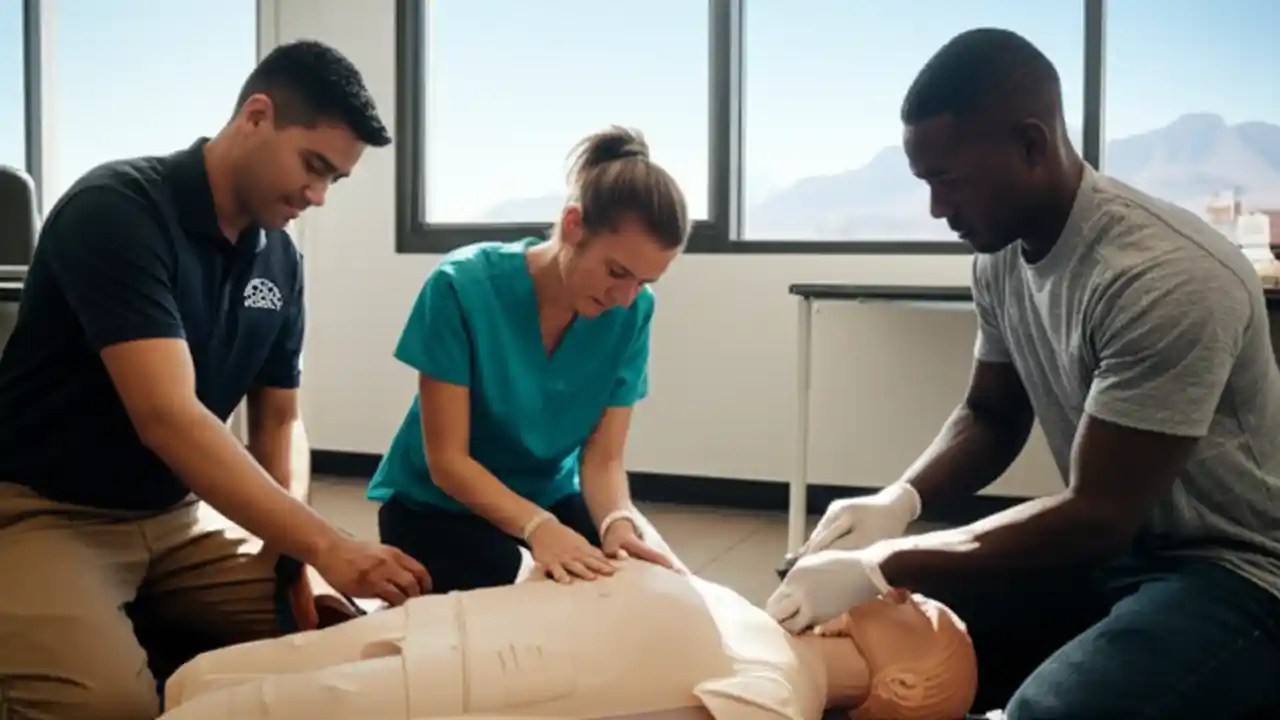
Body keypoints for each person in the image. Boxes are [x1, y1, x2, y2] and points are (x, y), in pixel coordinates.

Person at [769, 27, 1280, 720]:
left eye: (949, 181)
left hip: (1237, 574)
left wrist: (881, 563)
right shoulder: (999, 257)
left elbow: (1098, 514)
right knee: (864, 636)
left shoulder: (1165, 278)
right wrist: (900, 502)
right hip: (1113, 556)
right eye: (925, 183)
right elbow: (992, 415)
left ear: (1032, 146)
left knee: (1045, 710)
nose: (937, 209)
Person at [0, 40, 429, 720]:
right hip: (47, 510)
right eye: (313, 166)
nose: (318, 196)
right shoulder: (116, 209)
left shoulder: (280, 260)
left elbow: (281, 420)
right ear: (256, 116)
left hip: (177, 516)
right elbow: (167, 417)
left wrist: (296, 556)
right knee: (110, 706)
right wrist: (326, 542)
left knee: (341, 638)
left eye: (335, 181)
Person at [368, 126, 689, 592]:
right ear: (573, 225)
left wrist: (616, 521)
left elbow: (603, 460)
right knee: (517, 587)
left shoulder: (633, 311)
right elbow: (448, 461)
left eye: (643, 282)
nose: (624, 297)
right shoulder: (461, 286)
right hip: (437, 509)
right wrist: (539, 529)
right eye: (617, 271)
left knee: (627, 578)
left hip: (547, 498)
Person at [158, 558, 979, 720]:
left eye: (923, 614)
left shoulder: (772, 702)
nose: (902, 591)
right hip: (444, 623)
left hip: (458, 694)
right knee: (191, 680)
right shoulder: (737, 603)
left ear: (906, 686)